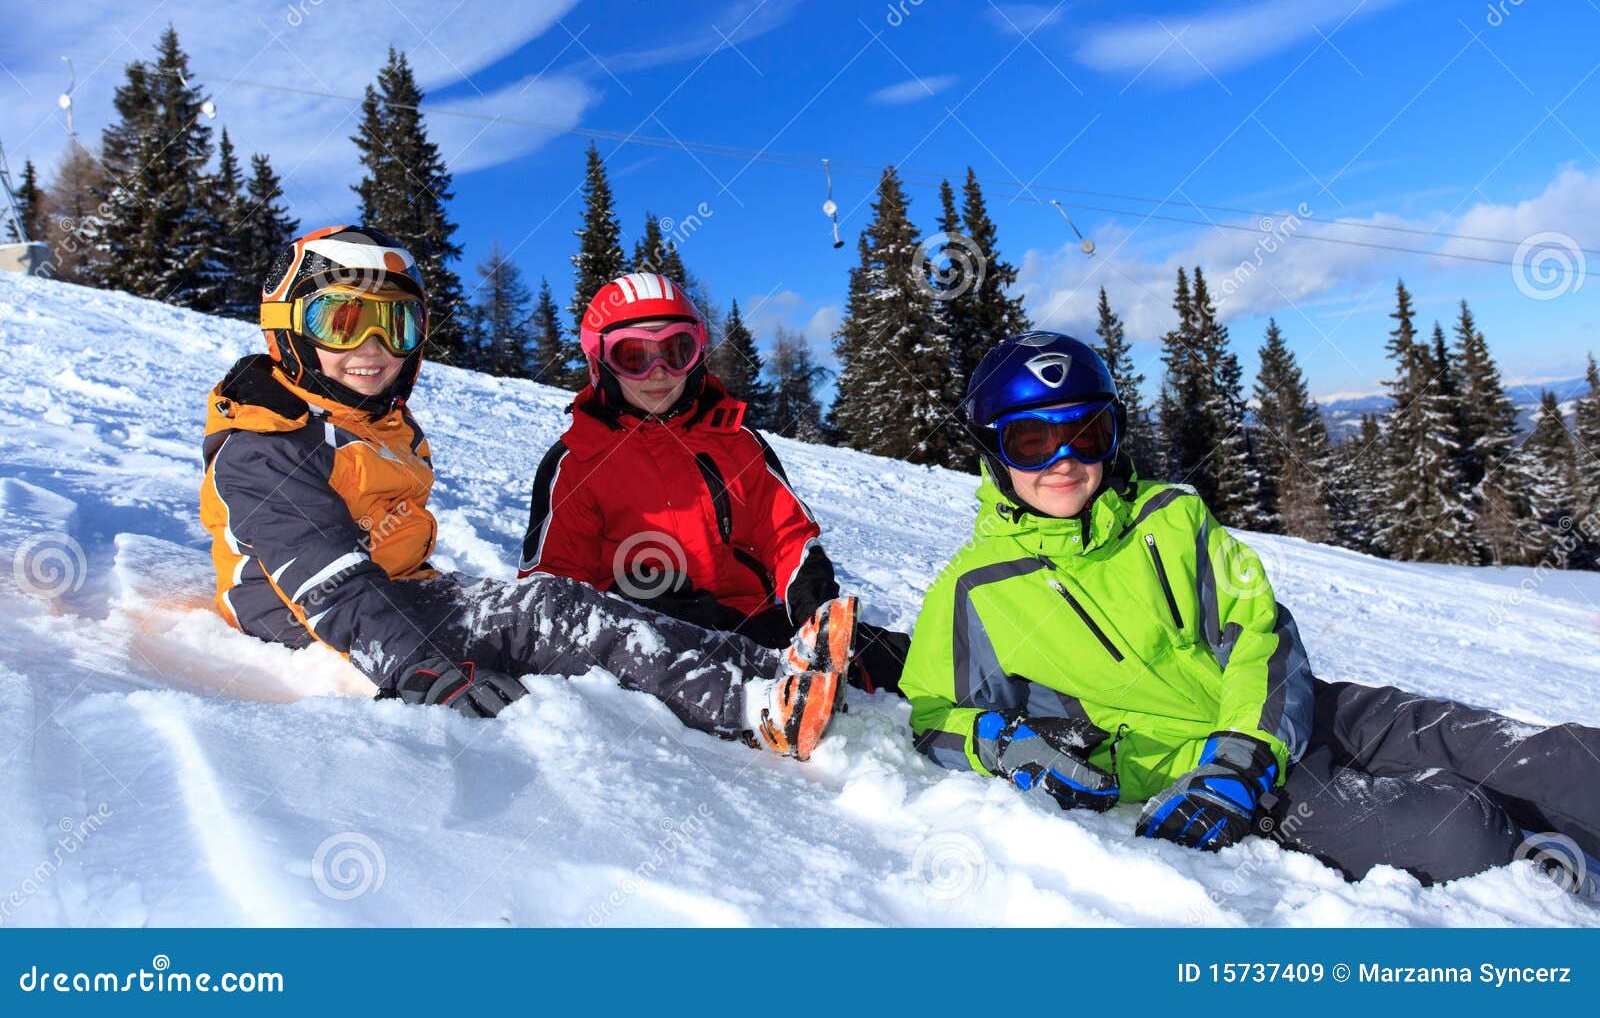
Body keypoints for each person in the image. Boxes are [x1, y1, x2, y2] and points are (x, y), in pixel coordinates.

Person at [901, 330, 1600, 887]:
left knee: (1540, 754)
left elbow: (1260, 628)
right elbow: (933, 714)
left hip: (1290, 716)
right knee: (1461, 829)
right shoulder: (973, 589)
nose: (1062, 457)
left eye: (1085, 434)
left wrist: (1244, 750)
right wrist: (997, 738)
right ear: (992, 450)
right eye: (1031, 438)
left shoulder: (1168, 516)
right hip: (1206, 785)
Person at [198, 226, 849, 759]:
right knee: (559, 614)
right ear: (287, 327)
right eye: (342, 322)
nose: (372, 347)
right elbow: (332, 587)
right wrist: (419, 670)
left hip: (394, 601)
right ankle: (759, 704)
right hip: (321, 623)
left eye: (393, 326)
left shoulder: (370, 424)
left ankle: (778, 675)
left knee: (554, 608)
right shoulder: (266, 441)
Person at [518, 271, 909, 694]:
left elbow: (786, 534)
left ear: (697, 352)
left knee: (885, 659)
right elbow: (552, 586)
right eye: (634, 356)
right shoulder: (578, 462)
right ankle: (772, 707)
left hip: (754, 626)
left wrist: (812, 606)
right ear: (600, 363)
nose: (659, 371)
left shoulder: (736, 442)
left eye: (676, 350)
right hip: (649, 642)